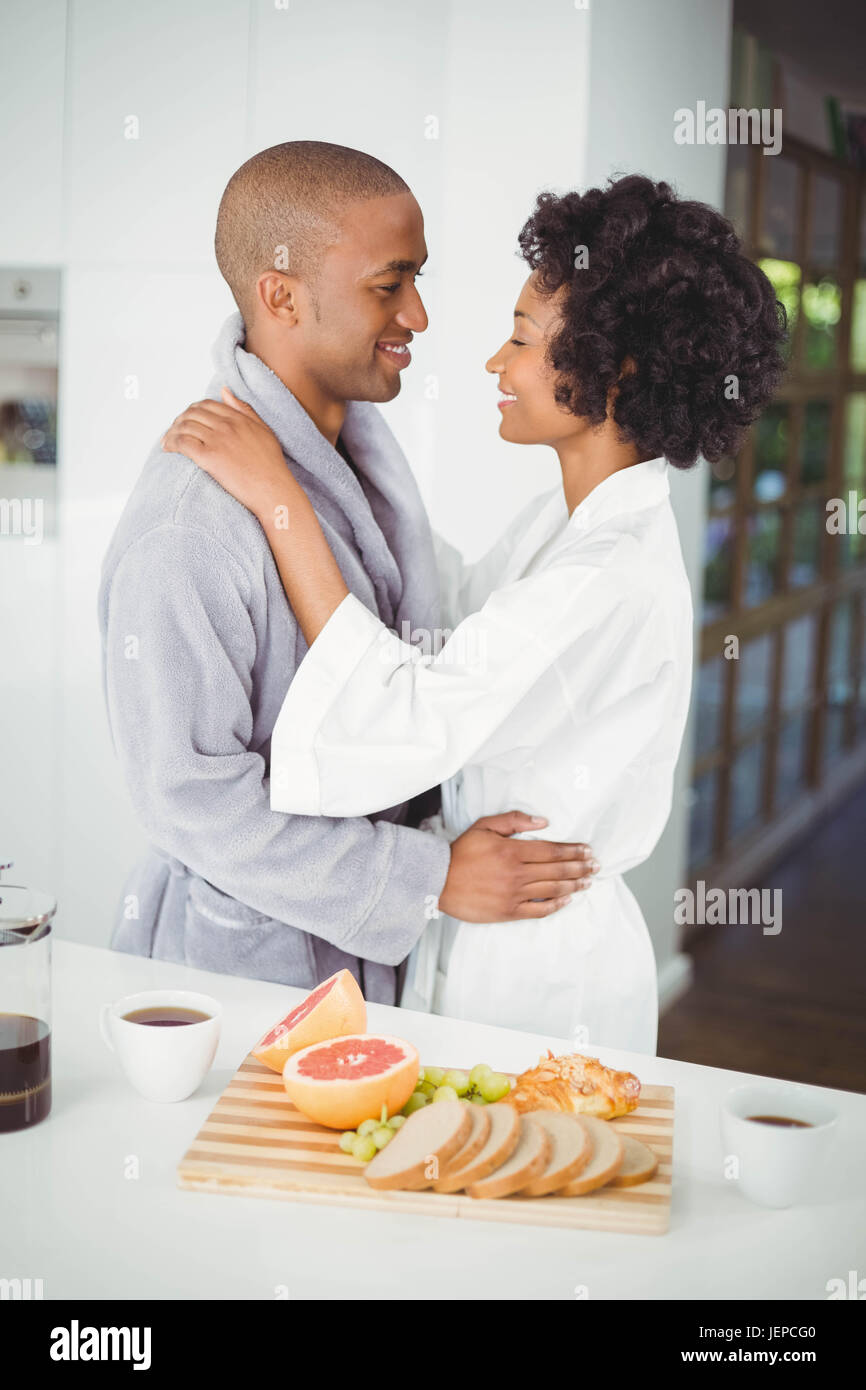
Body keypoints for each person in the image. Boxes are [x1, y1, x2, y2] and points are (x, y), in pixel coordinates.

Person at [163, 173, 787, 1051]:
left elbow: (404, 707)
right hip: (483, 933)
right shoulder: (573, 526)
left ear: (619, 369)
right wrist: (347, 461)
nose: (497, 361)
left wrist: (282, 503)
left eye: (522, 339)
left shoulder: (606, 576)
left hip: (536, 965)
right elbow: (447, 613)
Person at [97, 141, 596, 1004]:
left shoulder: (354, 474)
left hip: (372, 968)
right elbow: (187, 799)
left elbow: (426, 666)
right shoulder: (192, 526)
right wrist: (425, 878)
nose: (421, 316)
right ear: (281, 294)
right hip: (246, 980)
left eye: (418, 279)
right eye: (388, 284)